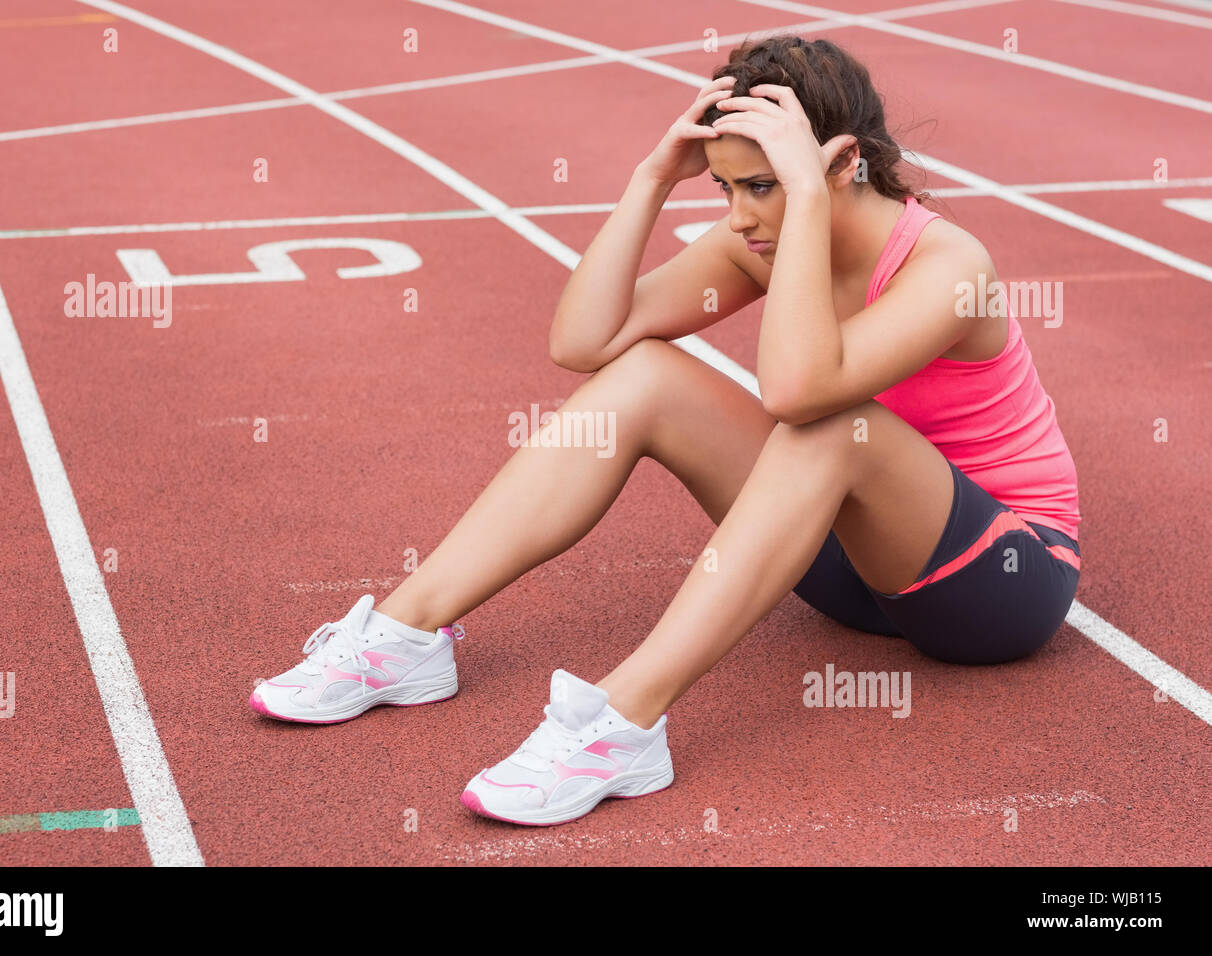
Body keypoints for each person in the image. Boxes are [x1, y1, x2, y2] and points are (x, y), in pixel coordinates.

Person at [250, 35, 1081, 827]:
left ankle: (622, 723)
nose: (741, 216)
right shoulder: (758, 240)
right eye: (724, 188)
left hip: (998, 581)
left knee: (833, 426)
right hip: (847, 567)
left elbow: (799, 392)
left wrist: (799, 208)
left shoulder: (948, 266)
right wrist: (650, 180)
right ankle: (406, 635)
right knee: (642, 376)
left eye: (763, 185)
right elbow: (582, 343)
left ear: (844, 162)